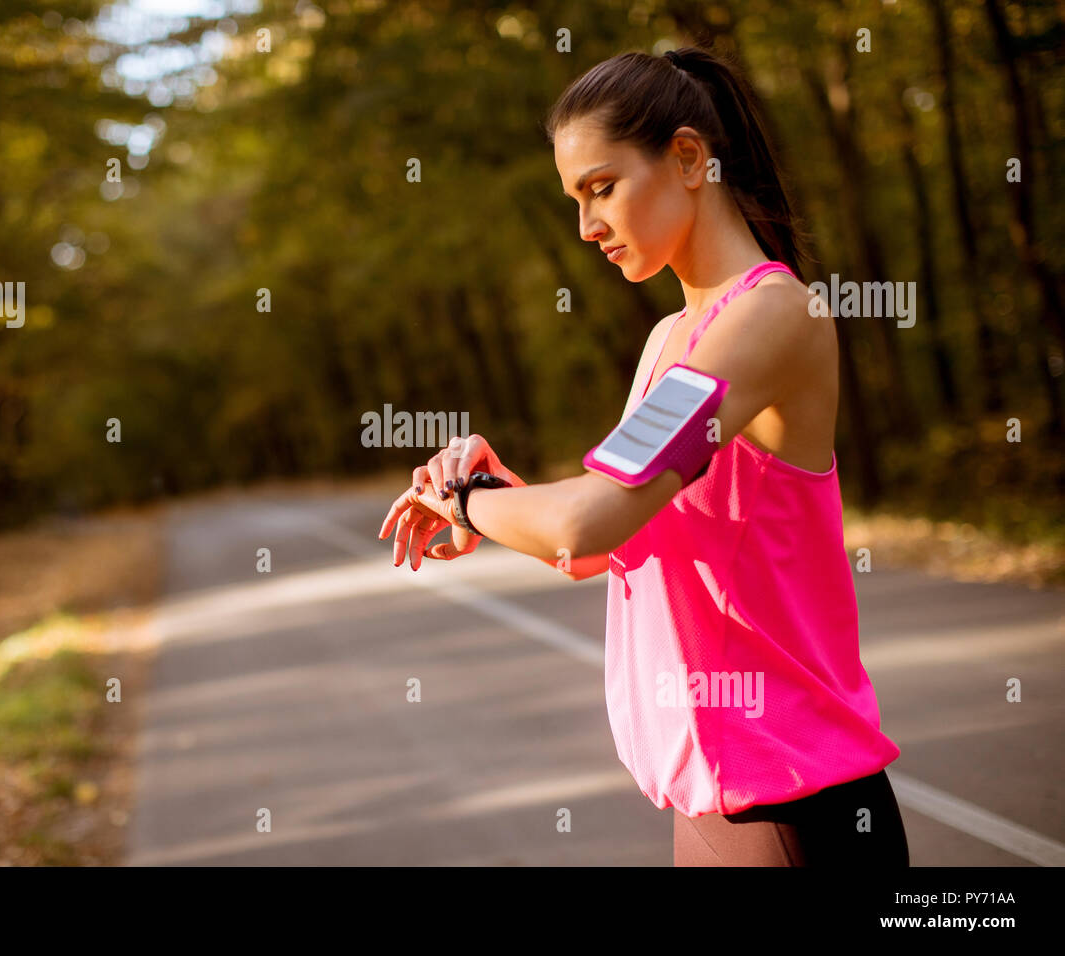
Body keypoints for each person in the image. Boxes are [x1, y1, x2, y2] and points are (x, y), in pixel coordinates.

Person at [377, 46, 908, 867]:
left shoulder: (772, 316)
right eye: (575, 199)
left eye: (602, 188)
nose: (586, 226)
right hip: (708, 792)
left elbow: (590, 520)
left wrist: (469, 499)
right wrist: (502, 489)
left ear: (689, 158)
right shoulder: (671, 340)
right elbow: (606, 538)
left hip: (792, 792)